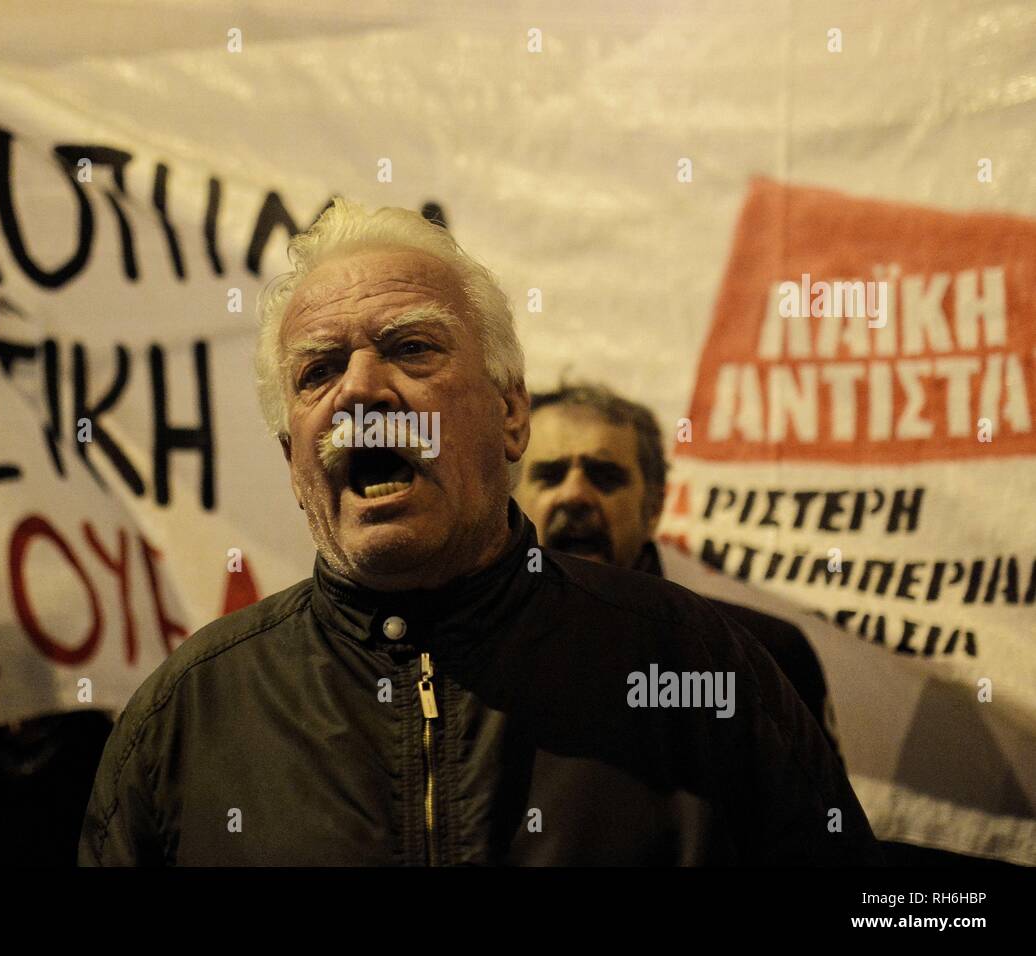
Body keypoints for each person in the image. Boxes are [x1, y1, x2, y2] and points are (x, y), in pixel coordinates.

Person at [80, 199, 881, 866]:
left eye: (411, 348)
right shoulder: (182, 723)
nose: (359, 389)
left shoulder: (700, 667)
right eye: (319, 370)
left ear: (510, 411)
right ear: (293, 457)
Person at [512, 383, 842, 756]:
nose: (574, 495)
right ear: (511, 500)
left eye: (605, 477)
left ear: (652, 507)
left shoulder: (760, 654)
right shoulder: (464, 651)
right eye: (550, 475)